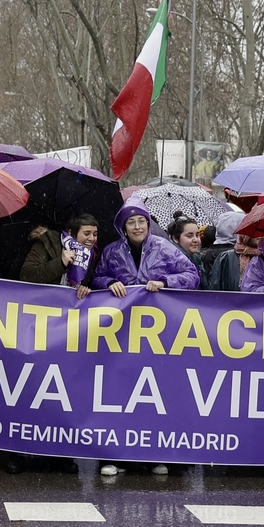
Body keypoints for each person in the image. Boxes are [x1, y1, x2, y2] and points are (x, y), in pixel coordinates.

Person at [82, 204, 198, 478]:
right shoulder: (111, 252)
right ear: (123, 227)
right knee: (118, 392)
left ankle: (154, 455)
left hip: (159, 336)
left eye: (141, 221)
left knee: (154, 393)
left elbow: (192, 276)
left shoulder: (165, 248)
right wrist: (109, 282)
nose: (137, 227)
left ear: (148, 224)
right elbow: (96, 278)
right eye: (131, 222)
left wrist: (165, 282)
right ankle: (113, 457)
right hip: (120, 337)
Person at [168, 215, 209, 284]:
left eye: (197, 235)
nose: (195, 240)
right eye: (189, 236)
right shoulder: (170, 261)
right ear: (175, 238)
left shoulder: (196, 258)